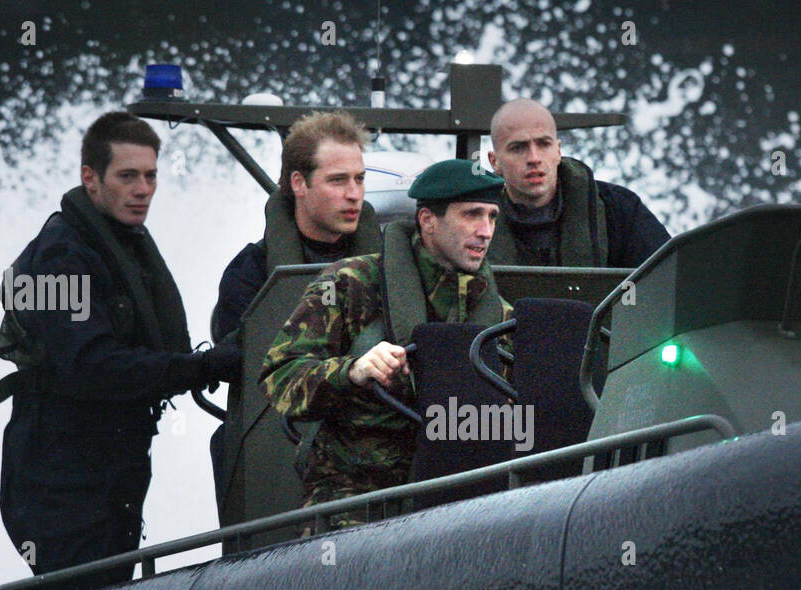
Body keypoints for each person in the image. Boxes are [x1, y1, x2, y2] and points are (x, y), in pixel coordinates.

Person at [0, 112, 240, 590]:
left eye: (150, 176)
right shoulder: (59, 257)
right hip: (58, 471)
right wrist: (202, 367)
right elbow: (92, 366)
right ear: (91, 177)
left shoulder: (124, 242)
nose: (142, 189)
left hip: (115, 462)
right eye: (127, 176)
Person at [260, 159, 512, 520]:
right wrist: (352, 372)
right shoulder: (349, 284)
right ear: (427, 220)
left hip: (462, 496)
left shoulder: (500, 317)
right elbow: (278, 377)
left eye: (491, 217)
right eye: (471, 215)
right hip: (357, 494)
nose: (485, 231)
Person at [210, 111, 382, 346]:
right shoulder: (251, 273)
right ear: (299, 184)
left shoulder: (391, 266)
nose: (354, 194)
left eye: (359, 179)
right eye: (338, 180)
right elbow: (243, 363)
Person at [486, 98, 670, 268]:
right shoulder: (475, 218)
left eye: (543, 144)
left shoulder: (618, 209)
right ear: (495, 162)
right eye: (518, 148)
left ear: (558, 151)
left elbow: (668, 281)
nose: (534, 158)